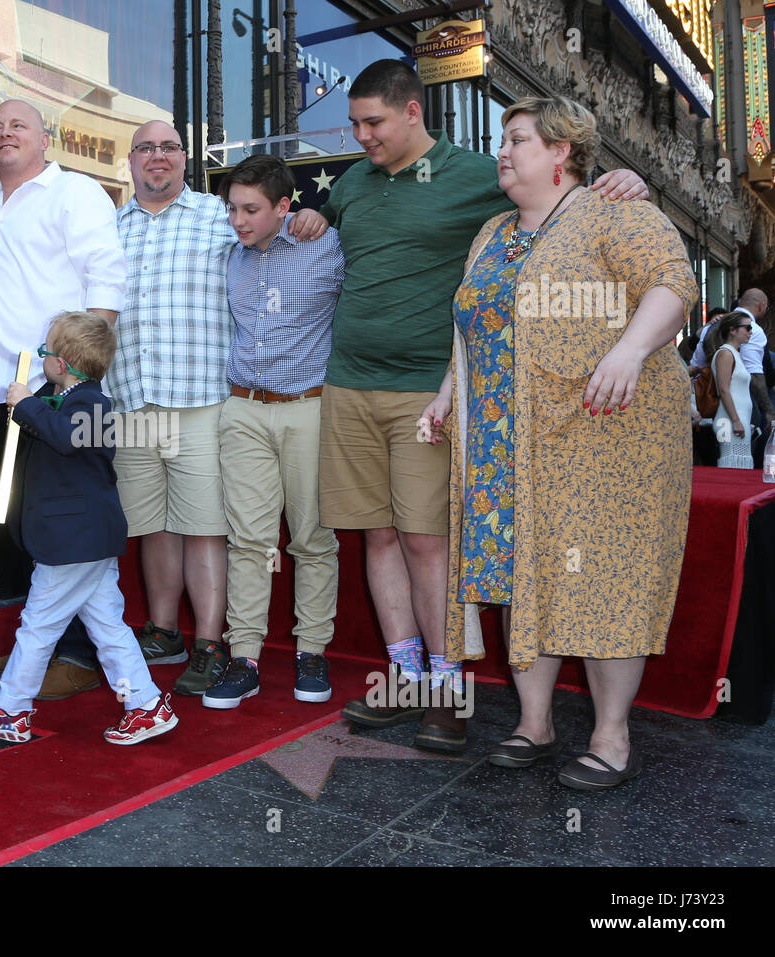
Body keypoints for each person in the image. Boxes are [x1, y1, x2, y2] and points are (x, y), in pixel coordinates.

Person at [317, 59, 646, 754]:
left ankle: (449, 689)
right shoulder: (352, 179)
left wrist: (626, 180)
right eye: (354, 123)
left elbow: (559, 202)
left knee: (426, 540)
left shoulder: (476, 175)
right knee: (375, 535)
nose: (361, 135)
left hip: (426, 389)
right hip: (347, 382)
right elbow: (324, 218)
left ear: (413, 113)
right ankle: (406, 679)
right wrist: (306, 219)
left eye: (372, 122)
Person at [423, 95, 695, 789]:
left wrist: (630, 351)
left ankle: (611, 734)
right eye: (503, 140)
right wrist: (448, 394)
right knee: (523, 572)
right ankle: (533, 723)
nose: (502, 152)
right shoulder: (490, 233)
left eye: (518, 139)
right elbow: (471, 328)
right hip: (504, 441)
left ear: (561, 151)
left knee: (602, 577)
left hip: (606, 438)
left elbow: (673, 284)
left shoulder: (616, 211)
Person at [108, 121, 328, 697]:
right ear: (130, 160)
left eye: (170, 148)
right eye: (146, 148)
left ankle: (209, 642)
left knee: (205, 524)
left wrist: (315, 218)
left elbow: (279, 233)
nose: (158, 157)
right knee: (151, 523)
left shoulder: (218, 215)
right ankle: (163, 630)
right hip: (132, 395)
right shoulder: (109, 226)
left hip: (204, 397)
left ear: (185, 158)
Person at [0, 312, 177, 745]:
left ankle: (11, 709)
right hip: (80, 540)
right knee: (108, 626)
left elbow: (65, 435)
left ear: (61, 363)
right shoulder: (59, 397)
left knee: (38, 625)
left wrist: (26, 405)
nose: (42, 361)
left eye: (46, 353)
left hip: (75, 542)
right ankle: (146, 705)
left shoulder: (93, 404)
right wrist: (30, 403)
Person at [0, 99, 126, 700]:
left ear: (45, 139)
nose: (5, 134)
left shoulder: (76, 194)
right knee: (23, 525)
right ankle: (38, 647)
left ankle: (79, 656)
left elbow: (105, 281)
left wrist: (76, 381)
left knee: (61, 525)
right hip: (2, 393)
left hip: (56, 394)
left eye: (19, 126)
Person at [197, 155, 345, 710]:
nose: (237, 219)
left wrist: (324, 220)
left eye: (251, 209)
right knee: (250, 542)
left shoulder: (325, 248)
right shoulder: (227, 257)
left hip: (309, 408)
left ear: (285, 208)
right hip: (243, 411)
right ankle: (245, 657)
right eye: (232, 207)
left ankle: (312, 651)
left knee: (311, 538)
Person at [707, 312, 755, 468]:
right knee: (733, 463)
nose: (750, 332)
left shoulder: (734, 353)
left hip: (736, 419)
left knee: (739, 462)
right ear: (732, 330)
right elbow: (724, 389)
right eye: (747, 328)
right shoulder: (725, 353)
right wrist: (736, 420)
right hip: (729, 420)